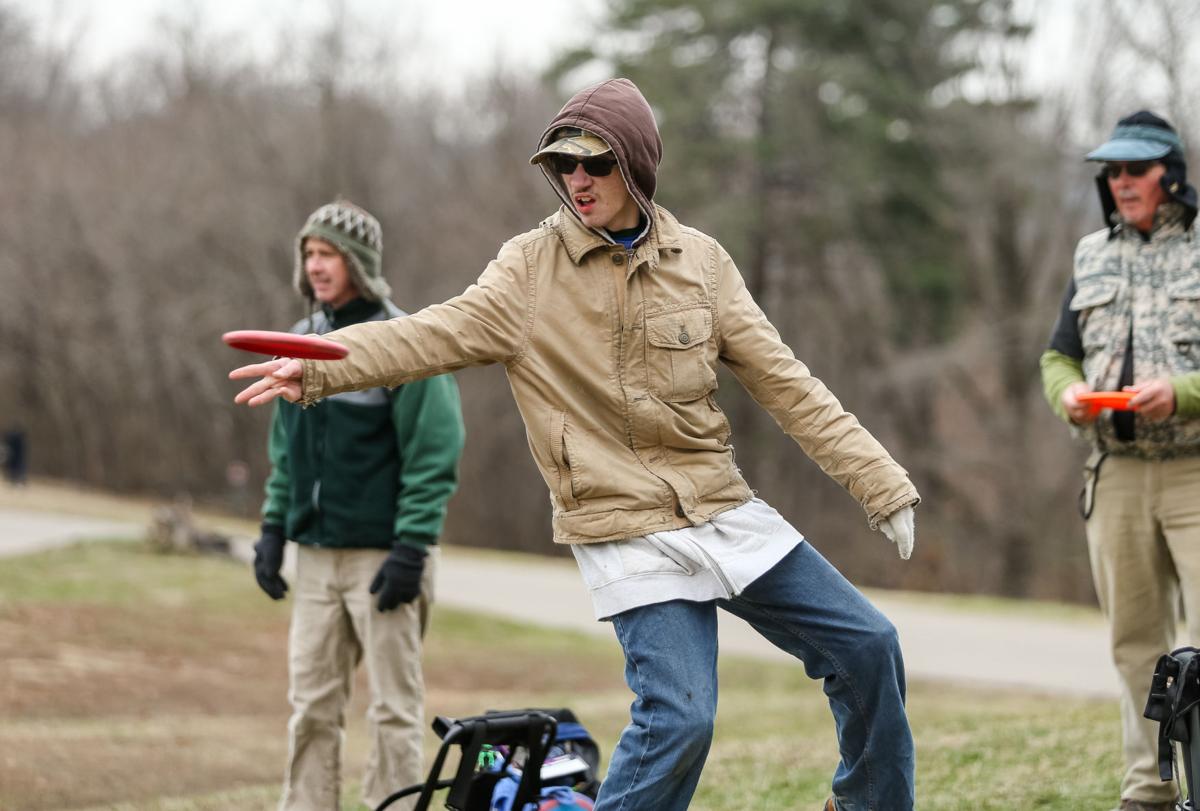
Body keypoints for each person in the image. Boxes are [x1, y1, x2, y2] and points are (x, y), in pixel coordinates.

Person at [233, 80, 920, 811]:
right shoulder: (529, 270)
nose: (577, 181)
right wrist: (315, 364)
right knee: (681, 718)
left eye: (594, 164)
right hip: (623, 527)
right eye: (563, 166)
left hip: (720, 507)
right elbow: (429, 333)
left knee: (869, 645)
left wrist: (880, 482)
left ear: (637, 165)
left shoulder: (704, 263)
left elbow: (789, 384)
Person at [252, 199, 466, 811]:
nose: (316, 266)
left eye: (329, 254)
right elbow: (284, 452)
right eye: (310, 254)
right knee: (312, 708)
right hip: (318, 556)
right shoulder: (295, 343)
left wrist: (411, 547)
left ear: (360, 264)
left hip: (386, 555)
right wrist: (273, 528)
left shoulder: (406, 344)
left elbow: (436, 450)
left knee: (393, 709)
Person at [1040, 111, 1200, 811]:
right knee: (1136, 644)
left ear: (1171, 174)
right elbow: (1056, 356)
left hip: (1195, 469)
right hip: (1116, 476)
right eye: (1113, 171)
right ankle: (1150, 790)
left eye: (1136, 169)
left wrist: (1184, 394)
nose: (1123, 181)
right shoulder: (1091, 254)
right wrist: (1068, 394)